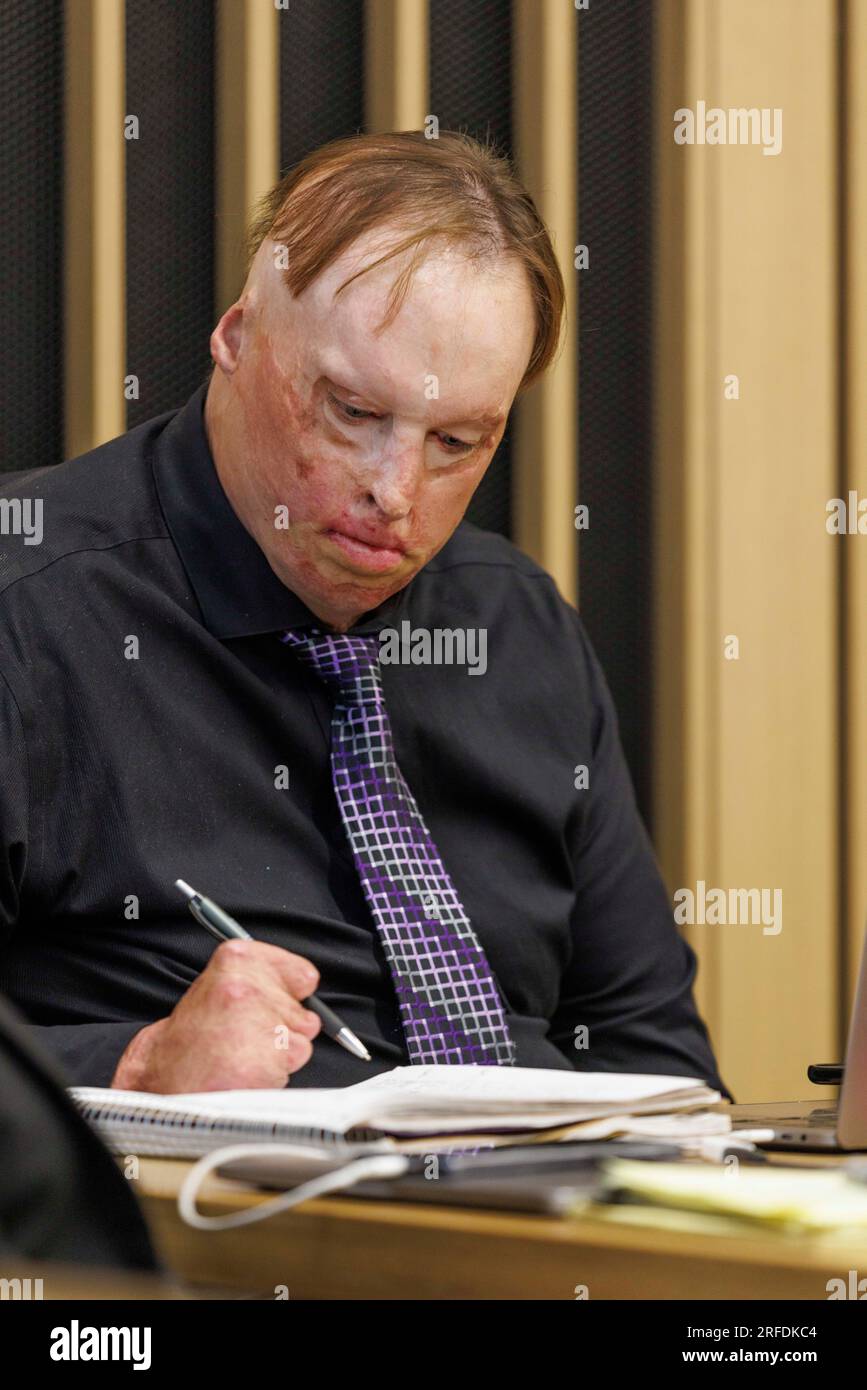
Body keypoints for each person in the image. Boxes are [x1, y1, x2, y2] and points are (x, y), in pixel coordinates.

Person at [0, 130, 729, 1098]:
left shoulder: (516, 626)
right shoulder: (30, 610)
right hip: (216, 1229)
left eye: (458, 442)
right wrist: (139, 1063)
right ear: (235, 335)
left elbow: (657, 1062)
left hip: (545, 1217)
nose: (397, 491)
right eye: (350, 412)